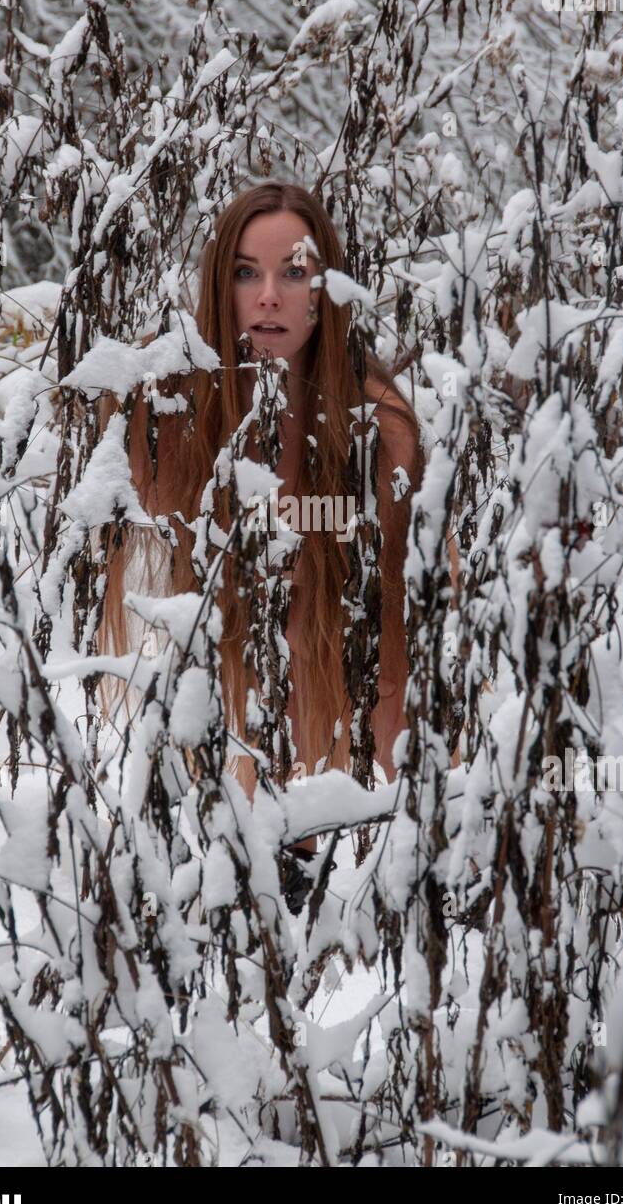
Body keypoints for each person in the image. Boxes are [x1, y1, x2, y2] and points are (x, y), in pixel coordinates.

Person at [95, 181, 455, 903]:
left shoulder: (377, 429)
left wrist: (411, 819)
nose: (268, 297)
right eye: (245, 273)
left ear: (326, 290)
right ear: (218, 285)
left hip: (351, 727)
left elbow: (398, 645)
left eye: (293, 273)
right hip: (224, 716)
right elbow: (128, 521)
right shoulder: (171, 404)